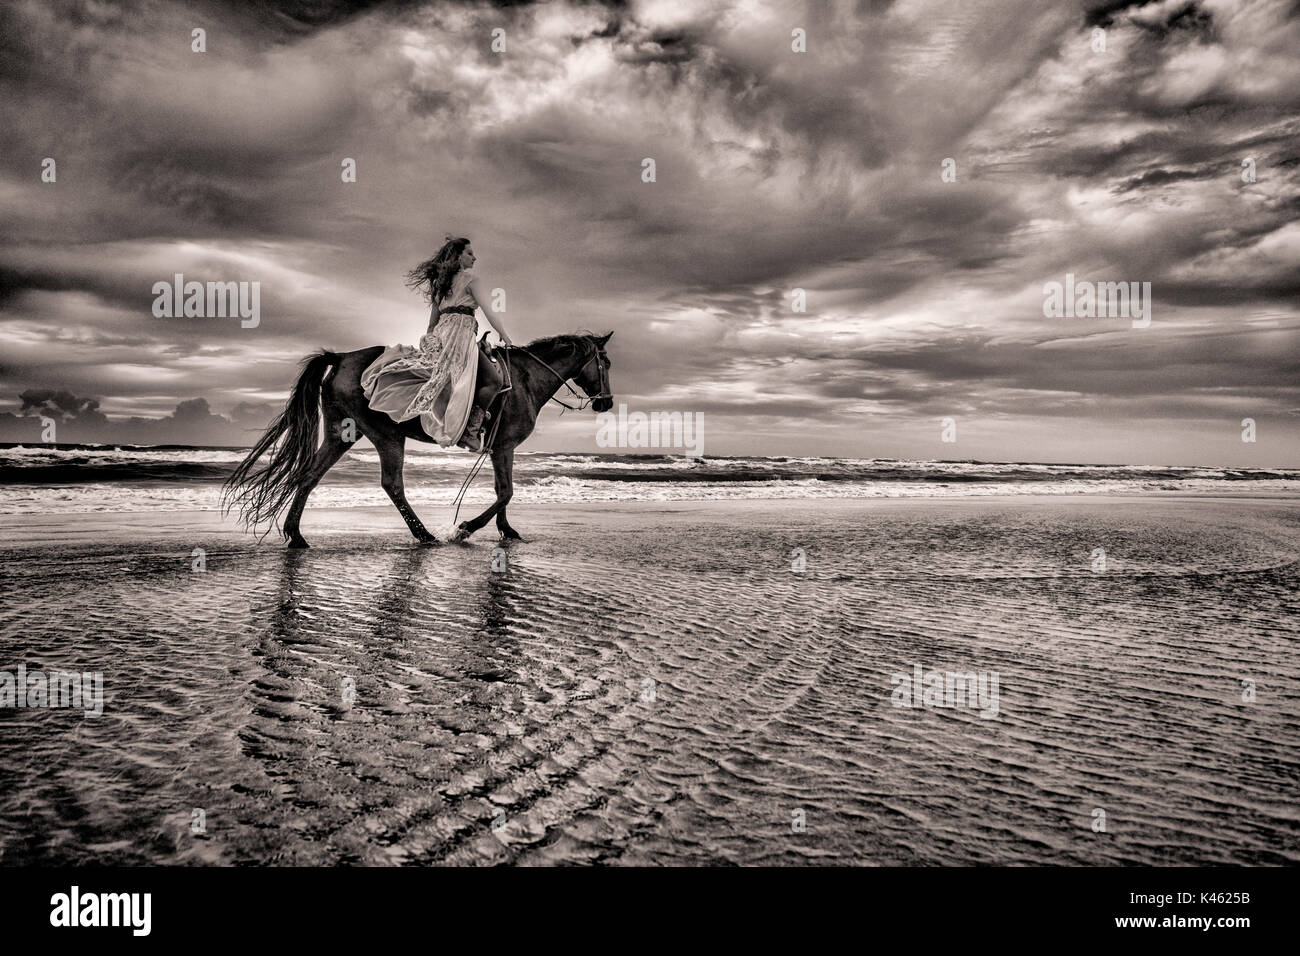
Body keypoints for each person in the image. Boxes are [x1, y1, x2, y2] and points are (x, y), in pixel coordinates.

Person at [361, 236, 512, 451]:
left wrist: (432, 344)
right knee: (494, 381)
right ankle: (469, 432)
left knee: (442, 380)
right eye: (469, 253)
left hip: (442, 338)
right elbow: (489, 310)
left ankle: (464, 423)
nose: (474, 257)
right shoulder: (471, 280)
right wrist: (504, 335)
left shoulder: (441, 286)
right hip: (460, 339)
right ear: (458, 256)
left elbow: (432, 325)